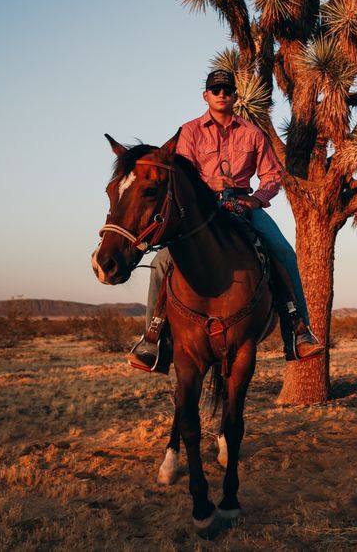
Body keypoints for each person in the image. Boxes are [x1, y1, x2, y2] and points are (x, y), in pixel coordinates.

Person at [129, 69, 323, 373]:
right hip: (200, 210)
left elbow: (272, 175)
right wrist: (208, 186)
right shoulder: (189, 132)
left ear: (235, 96)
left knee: (284, 253)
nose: (221, 94)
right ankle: (153, 340)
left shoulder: (252, 133)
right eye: (215, 90)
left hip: (243, 204)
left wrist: (256, 200)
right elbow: (181, 176)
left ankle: (299, 333)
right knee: (161, 262)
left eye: (227, 89)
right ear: (206, 96)